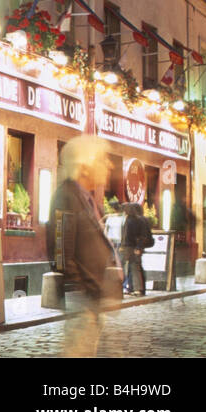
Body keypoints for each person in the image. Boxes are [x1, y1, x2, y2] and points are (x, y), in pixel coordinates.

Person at [46, 135, 120, 357]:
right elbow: (60, 249)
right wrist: (79, 289)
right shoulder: (67, 196)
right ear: (85, 166)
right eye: (103, 159)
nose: (109, 165)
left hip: (91, 297)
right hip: (81, 298)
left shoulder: (84, 197)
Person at [121, 202, 153, 297]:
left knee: (134, 267)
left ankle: (137, 288)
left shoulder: (134, 220)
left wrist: (138, 247)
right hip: (132, 246)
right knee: (134, 267)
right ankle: (134, 288)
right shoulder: (138, 219)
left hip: (131, 247)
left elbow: (131, 235)